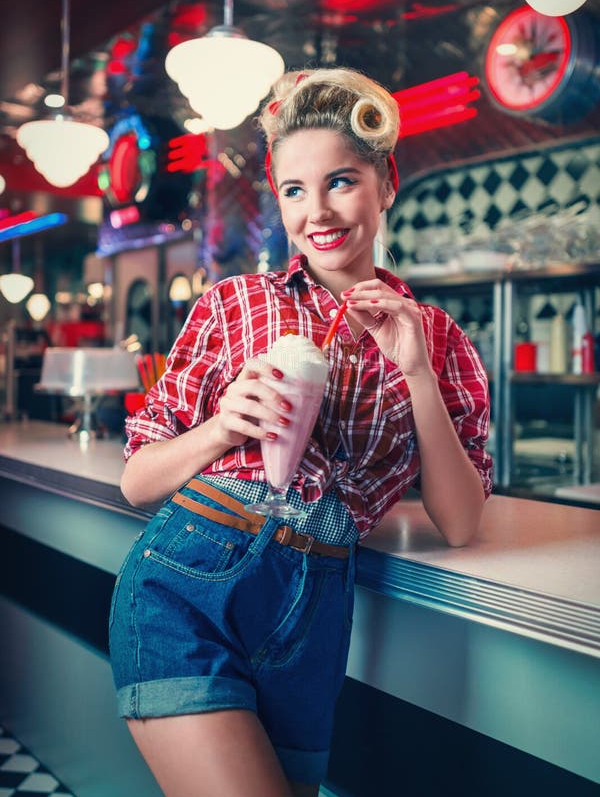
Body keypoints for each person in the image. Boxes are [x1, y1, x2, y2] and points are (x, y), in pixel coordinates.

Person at [109, 67, 492, 797]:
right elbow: (136, 480)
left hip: (315, 618)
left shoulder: (440, 341)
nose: (317, 210)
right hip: (185, 588)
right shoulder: (233, 304)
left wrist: (415, 374)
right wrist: (223, 426)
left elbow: (461, 521)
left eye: (342, 181)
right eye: (293, 190)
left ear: (386, 185)